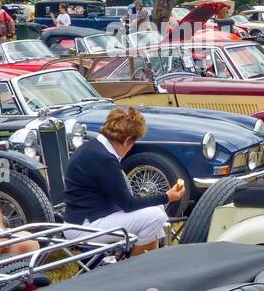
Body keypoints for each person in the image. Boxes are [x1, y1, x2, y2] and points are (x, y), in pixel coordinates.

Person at [64, 107, 184, 256]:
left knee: (157, 209)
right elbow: (128, 204)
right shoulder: (104, 159)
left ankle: (150, 260)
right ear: (128, 140)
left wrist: (160, 200)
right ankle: (135, 270)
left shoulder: (93, 148)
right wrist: (166, 197)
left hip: (88, 217)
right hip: (84, 226)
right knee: (155, 216)